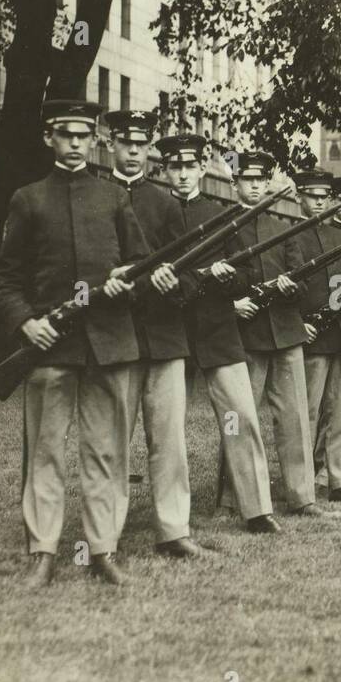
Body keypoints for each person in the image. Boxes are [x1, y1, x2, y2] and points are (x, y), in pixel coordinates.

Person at [0, 99, 145, 587]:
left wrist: (128, 278)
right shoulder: (28, 199)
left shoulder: (114, 198)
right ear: (49, 138)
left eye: (83, 134)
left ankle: (103, 549)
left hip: (106, 344)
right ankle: (43, 551)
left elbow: (144, 264)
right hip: (50, 346)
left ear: (94, 138)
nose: (76, 143)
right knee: (46, 452)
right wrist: (26, 324)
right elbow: (4, 279)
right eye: (65, 134)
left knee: (105, 451)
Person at [155, 133, 280, 532]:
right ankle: (173, 520)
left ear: (203, 168)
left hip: (218, 330)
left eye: (191, 166)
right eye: (175, 167)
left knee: (240, 416)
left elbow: (247, 275)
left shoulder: (222, 215)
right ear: (166, 169)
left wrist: (222, 280)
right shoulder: (154, 212)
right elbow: (153, 279)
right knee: (169, 429)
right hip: (170, 330)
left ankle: (257, 509)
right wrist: (203, 277)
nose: (183, 174)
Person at [100, 110, 200, 559]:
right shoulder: (94, 197)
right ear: (111, 145)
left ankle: (174, 530)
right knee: (113, 441)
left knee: (169, 440)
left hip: (163, 336)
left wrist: (174, 283)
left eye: (141, 144)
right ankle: (107, 534)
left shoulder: (166, 204)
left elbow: (194, 271)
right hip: (115, 335)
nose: (134, 151)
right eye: (126, 143)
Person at [221, 151, 330, 518]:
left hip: (285, 332)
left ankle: (302, 496)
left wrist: (288, 286)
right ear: (235, 183)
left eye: (259, 179)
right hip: (247, 333)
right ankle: (232, 497)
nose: (254, 185)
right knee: (240, 417)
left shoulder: (284, 227)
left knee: (296, 418)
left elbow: (303, 281)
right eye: (246, 179)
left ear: (268, 183)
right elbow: (215, 280)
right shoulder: (224, 227)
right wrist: (235, 302)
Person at [295, 171, 341, 502]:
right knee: (307, 412)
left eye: (326, 196)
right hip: (312, 334)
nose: (320, 201)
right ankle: (302, 481)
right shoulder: (291, 235)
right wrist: (297, 323)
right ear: (300, 197)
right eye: (313, 196)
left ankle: (338, 479)